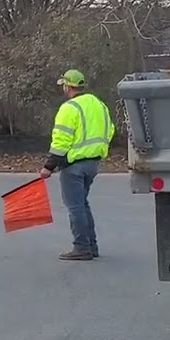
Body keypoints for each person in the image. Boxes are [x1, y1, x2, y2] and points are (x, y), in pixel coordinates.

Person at [38, 69, 114, 261]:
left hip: (73, 165)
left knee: (75, 207)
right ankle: (92, 246)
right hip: (93, 163)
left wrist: (49, 166)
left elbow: (61, 141)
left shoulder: (69, 108)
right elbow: (110, 130)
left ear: (67, 86)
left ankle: (82, 247)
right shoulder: (100, 105)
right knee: (82, 204)